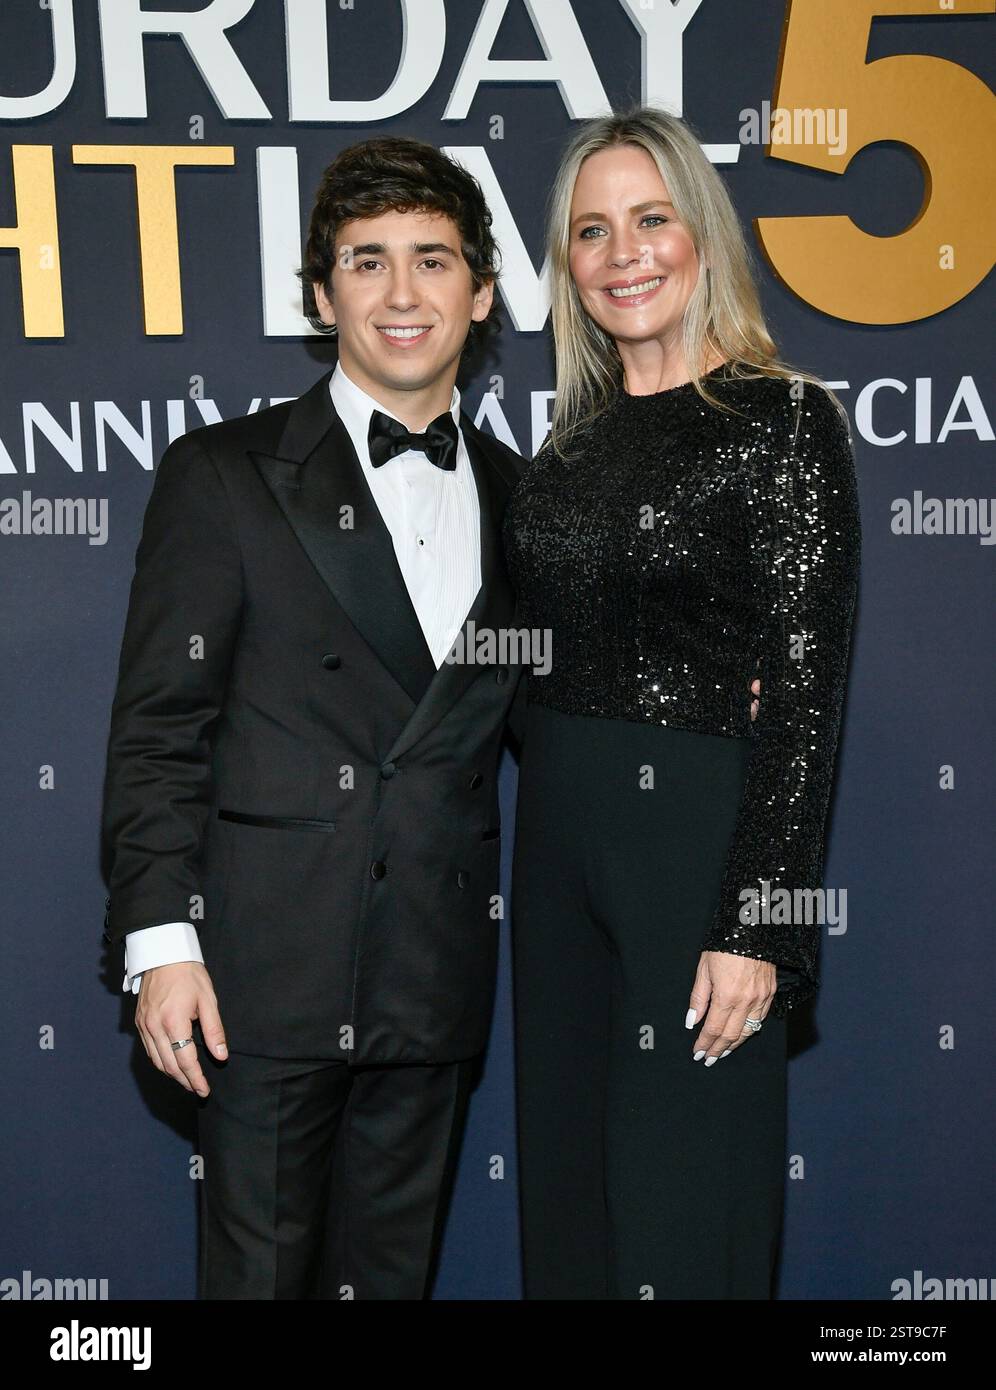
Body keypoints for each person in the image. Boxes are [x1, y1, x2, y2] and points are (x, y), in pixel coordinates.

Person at [100, 136, 526, 1299]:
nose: (402, 294)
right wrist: (160, 945)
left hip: (432, 976)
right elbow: (158, 730)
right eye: (367, 260)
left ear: (482, 294)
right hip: (259, 981)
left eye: (433, 261)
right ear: (322, 291)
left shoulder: (528, 501)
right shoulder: (223, 474)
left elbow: (568, 724)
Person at [502, 106, 861, 1299]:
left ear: (703, 236)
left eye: (651, 219)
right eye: (593, 232)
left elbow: (809, 700)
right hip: (553, 847)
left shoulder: (786, 423)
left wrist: (762, 923)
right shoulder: (564, 450)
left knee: (685, 1203)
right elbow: (511, 656)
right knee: (571, 1201)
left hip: (695, 847)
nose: (624, 253)